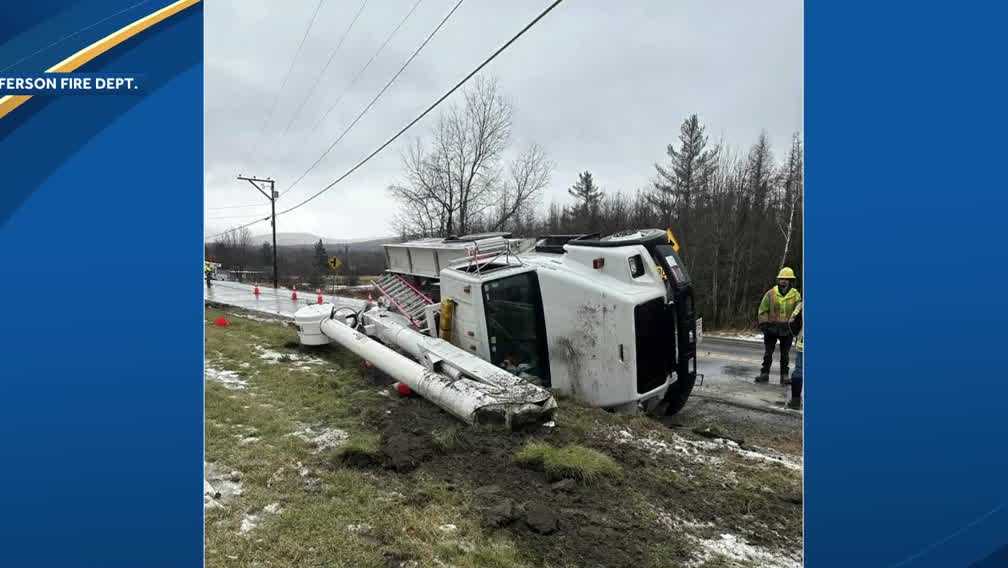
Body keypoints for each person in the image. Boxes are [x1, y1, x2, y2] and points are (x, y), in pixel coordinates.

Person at [755, 267, 801, 384]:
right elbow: (762, 310)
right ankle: (764, 374)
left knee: (785, 355)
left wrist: (795, 328)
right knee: (768, 353)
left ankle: (784, 376)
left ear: (790, 281)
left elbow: (799, 312)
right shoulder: (770, 293)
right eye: (781, 278)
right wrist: (764, 325)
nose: (783, 281)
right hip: (771, 328)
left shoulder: (796, 295)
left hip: (787, 329)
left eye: (786, 279)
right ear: (778, 280)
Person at [789, 301, 803, 410]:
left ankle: (795, 401)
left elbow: (792, 321)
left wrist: (797, 334)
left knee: (799, 371)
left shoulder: (802, 305)